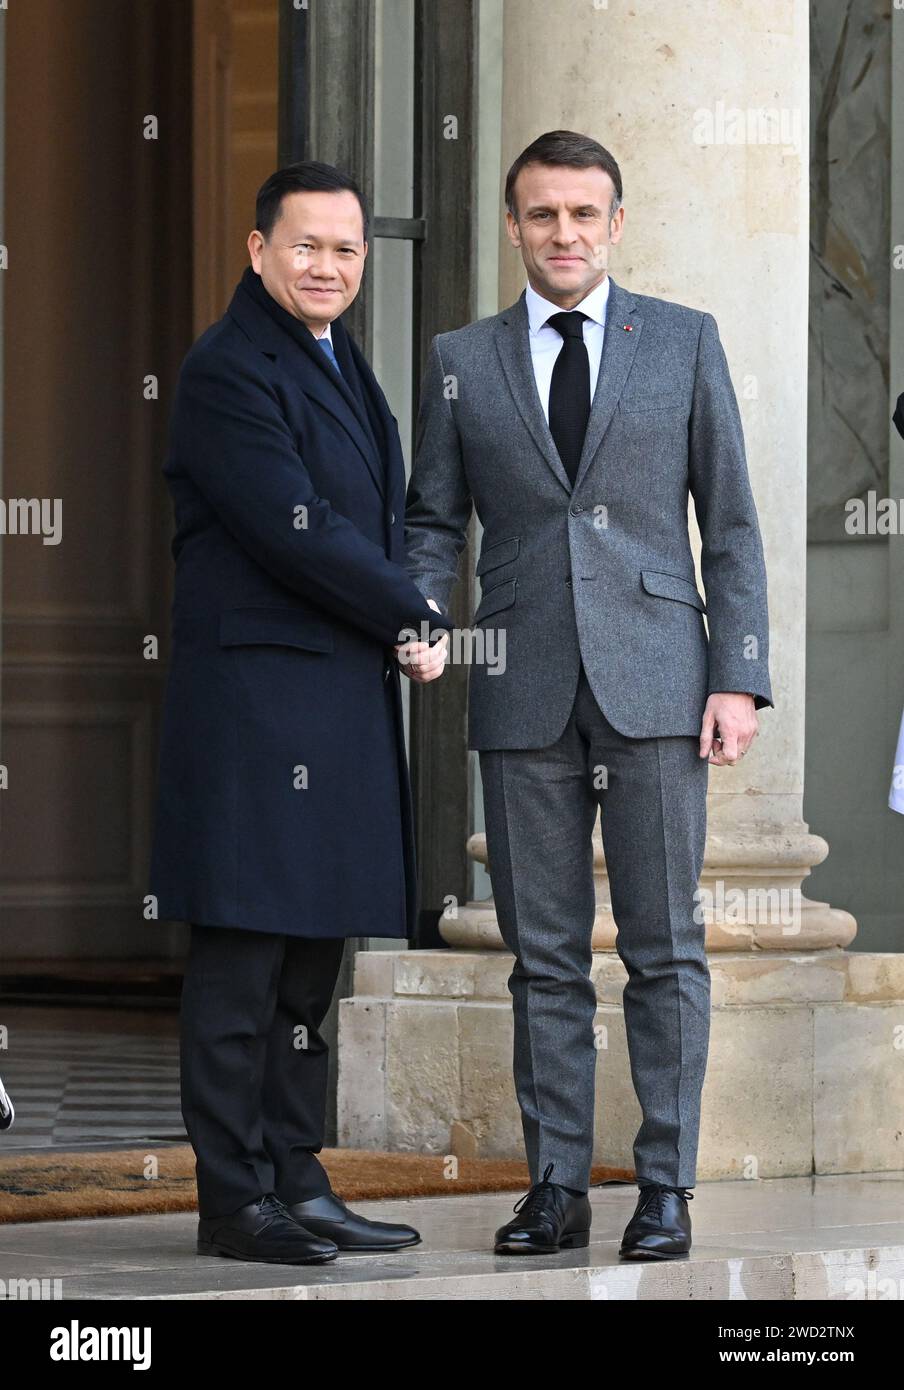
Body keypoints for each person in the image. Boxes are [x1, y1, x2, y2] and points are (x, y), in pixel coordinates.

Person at [403, 130, 772, 1259]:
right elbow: (432, 520)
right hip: (518, 685)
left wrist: (739, 679)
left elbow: (736, 523)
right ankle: (555, 1186)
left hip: (662, 681)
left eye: (582, 214)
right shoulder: (460, 355)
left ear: (616, 224)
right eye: (541, 214)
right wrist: (423, 614)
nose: (562, 233)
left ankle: (665, 1189)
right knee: (545, 957)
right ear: (512, 225)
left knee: (665, 950)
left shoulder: (685, 341)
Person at [148, 161, 450, 1265]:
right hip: (256, 715)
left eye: (347, 249)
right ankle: (234, 1200)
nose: (328, 265)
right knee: (242, 959)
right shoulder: (227, 369)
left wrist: (400, 621)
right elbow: (296, 526)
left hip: (330, 707)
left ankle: (297, 1177)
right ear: (256, 248)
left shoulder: (335, 357)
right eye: (307, 245)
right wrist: (413, 609)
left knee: (308, 964)